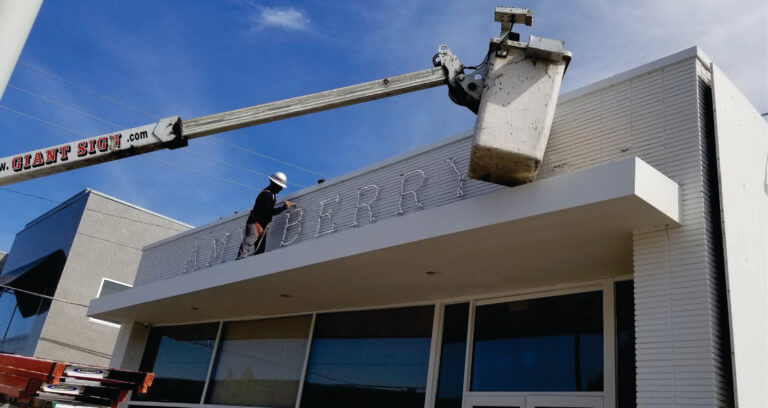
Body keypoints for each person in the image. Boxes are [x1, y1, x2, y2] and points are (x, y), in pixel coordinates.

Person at [236, 171, 293, 259]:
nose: (281, 189)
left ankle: (257, 262)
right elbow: (269, 211)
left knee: (260, 248)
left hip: (262, 224)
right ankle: (240, 258)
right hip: (255, 223)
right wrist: (284, 207)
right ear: (274, 184)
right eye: (280, 186)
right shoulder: (266, 195)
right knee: (251, 239)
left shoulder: (272, 195)